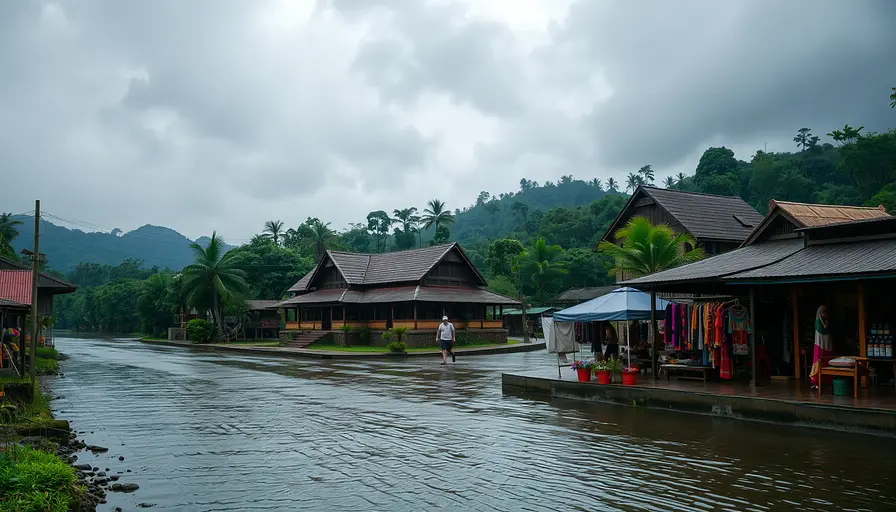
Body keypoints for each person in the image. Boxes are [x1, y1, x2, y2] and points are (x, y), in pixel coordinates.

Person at [809, 305, 833, 390]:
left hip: (826, 345)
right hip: (820, 345)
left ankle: (825, 380)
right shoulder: (818, 322)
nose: (825, 314)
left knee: (826, 361)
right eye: (823, 312)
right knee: (818, 361)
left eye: (825, 312)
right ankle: (815, 380)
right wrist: (827, 328)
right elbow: (823, 330)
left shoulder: (826, 321)